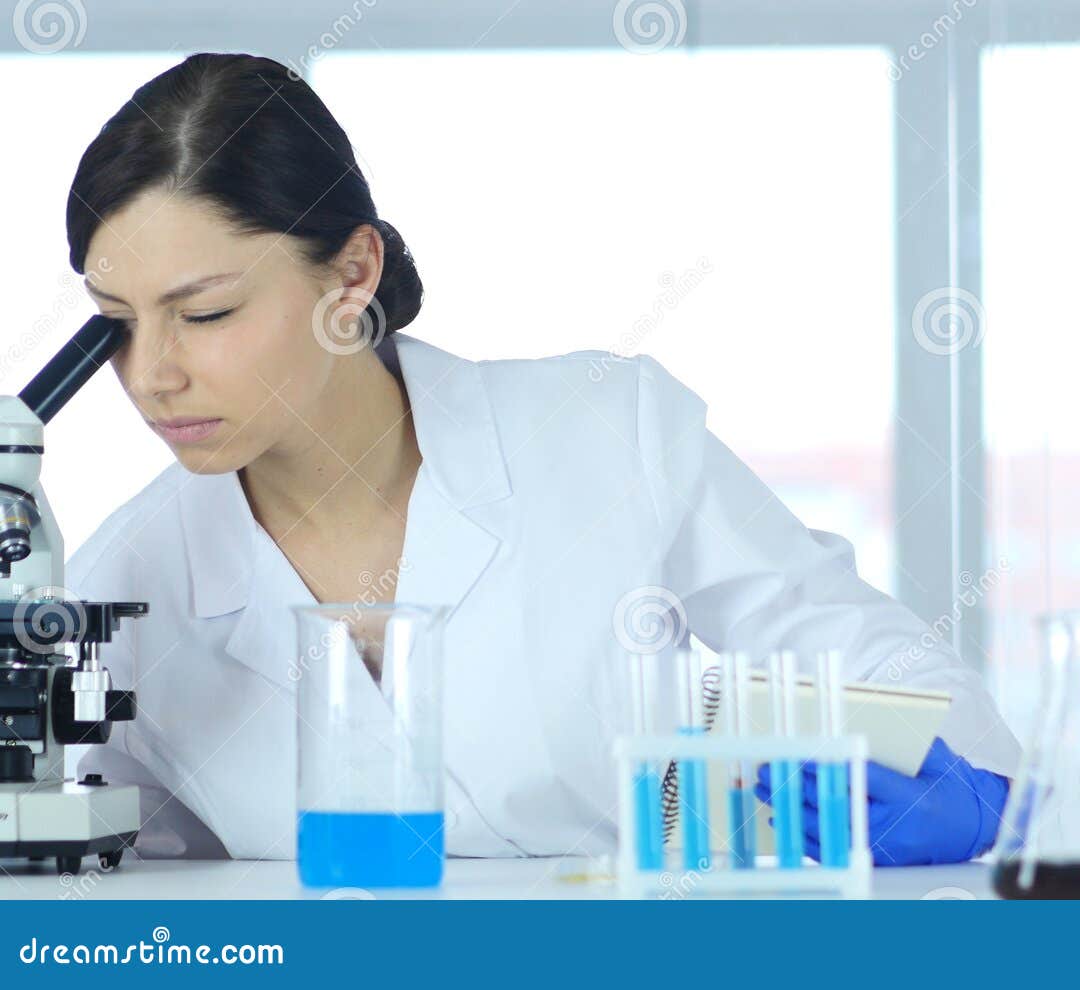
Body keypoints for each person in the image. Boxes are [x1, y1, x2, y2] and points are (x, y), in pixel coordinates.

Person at [65, 52, 1019, 867]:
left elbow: (894, 675)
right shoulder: (122, 587)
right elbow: (141, 899)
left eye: (205, 314)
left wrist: (939, 779)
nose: (151, 375)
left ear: (351, 275)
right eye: (114, 327)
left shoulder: (603, 433)